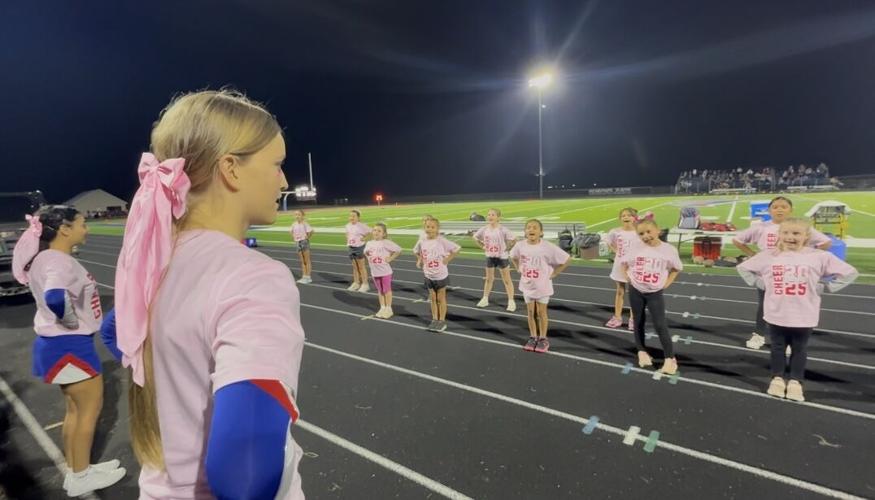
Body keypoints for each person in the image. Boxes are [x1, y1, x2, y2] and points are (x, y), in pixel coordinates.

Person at [105, 90, 305, 499]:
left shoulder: (154, 262)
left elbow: (116, 332)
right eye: (276, 164)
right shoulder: (252, 276)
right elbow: (244, 476)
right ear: (231, 169)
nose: (284, 181)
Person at [11, 206, 125, 497]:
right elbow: (54, 297)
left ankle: (78, 470)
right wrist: (72, 322)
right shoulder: (57, 261)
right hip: (69, 344)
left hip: (59, 345)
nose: (86, 229)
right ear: (64, 229)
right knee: (88, 411)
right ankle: (80, 476)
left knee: (74, 411)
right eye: (82, 224)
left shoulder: (45, 258)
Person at [737, 218, 858, 402]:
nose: (790, 237)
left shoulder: (819, 256)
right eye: (785, 233)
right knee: (777, 348)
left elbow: (849, 273)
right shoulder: (769, 255)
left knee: (799, 349)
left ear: (806, 236)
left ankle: (796, 381)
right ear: (779, 235)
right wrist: (761, 283)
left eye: (796, 233)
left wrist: (826, 287)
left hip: (804, 314)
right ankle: (777, 379)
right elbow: (744, 268)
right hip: (777, 313)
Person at [732, 196, 831, 350]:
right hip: (768, 273)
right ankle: (759, 335)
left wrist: (807, 256)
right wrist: (753, 255)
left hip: (793, 273)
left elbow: (825, 242)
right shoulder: (760, 227)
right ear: (769, 210)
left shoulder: (801, 228)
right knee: (765, 304)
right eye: (775, 207)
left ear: (791, 210)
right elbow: (737, 240)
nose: (779, 210)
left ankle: (788, 341)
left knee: (791, 305)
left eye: (784, 207)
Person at [621, 218, 683, 374]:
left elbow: (676, 268)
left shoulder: (669, 250)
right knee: (638, 321)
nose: (645, 236)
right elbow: (624, 262)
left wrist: (667, 283)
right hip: (636, 290)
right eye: (641, 233)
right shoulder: (635, 247)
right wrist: (627, 277)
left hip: (654, 292)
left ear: (658, 230)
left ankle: (670, 358)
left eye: (648, 231)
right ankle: (642, 352)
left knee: (660, 324)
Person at [509, 219, 570, 353]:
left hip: (542, 285)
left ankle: (543, 338)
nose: (531, 229)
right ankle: (532, 337)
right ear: (525, 231)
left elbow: (566, 259)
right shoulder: (520, 245)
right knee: (531, 312)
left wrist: (555, 273)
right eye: (529, 227)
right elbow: (513, 256)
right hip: (527, 285)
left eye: (535, 227)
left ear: (541, 232)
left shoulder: (548, 247)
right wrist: (518, 267)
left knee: (541, 313)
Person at [413, 218, 461, 332]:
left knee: (441, 298)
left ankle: (442, 321)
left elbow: (457, 248)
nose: (429, 229)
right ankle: (434, 319)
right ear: (424, 228)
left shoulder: (441, 241)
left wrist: (447, 259)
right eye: (427, 227)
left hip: (440, 275)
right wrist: (419, 259)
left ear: (437, 229)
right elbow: (415, 251)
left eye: (432, 227)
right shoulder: (422, 241)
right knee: (433, 298)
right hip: (428, 274)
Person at [473, 208, 517, 312]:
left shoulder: (503, 229)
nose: (490, 217)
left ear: (498, 217)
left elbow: (514, 239)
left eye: (493, 215)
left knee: (507, 280)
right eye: (489, 215)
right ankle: (485, 299)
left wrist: (508, 248)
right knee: (489, 279)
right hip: (490, 256)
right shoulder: (484, 229)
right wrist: (482, 246)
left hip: (502, 257)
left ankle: (511, 301)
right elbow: (475, 237)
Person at [604, 207, 640, 330]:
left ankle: (633, 319)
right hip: (620, 265)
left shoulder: (639, 232)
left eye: (629, 215)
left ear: (634, 218)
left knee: (634, 293)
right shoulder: (615, 231)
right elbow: (608, 241)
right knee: (620, 291)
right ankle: (617, 317)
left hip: (634, 265)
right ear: (620, 218)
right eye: (623, 215)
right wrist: (616, 251)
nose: (626, 217)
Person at [364, 223, 402, 319]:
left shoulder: (386, 242)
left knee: (386, 290)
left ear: (384, 234)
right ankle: (382, 307)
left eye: (379, 231)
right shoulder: (369, 243)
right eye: (374, 230)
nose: (376, 232)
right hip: (375, 272)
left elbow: (398, 250)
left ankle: (389, 308)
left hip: (385, 272)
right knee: (380, 290)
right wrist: (368, 256)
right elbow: (366, 252)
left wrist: (390, 258)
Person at [345, 210, 371, 292]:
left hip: (359, 247)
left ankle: (365, 284)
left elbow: (371, 232)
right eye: (350, 216)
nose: (351, 217)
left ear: (358, 218)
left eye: (354, 216)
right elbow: (347, 234)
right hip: (351, 247)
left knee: (361, 267)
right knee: (354, 266)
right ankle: (356, 283)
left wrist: (365, 238)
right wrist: (348, 240)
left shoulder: (362, 226)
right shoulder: (347, 225)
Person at [290, 209, 313, 283]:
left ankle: (308, 277)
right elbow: (291, 231)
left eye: (299, 215)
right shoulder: (294, 224)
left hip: (304, 242)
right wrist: (294, 238)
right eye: (296, 215)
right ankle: (304, 276)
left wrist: (307, 238)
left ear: (302, 216)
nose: (297, 216)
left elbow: (311, 231)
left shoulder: (305, 224)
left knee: (307, 260)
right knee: (302, 261)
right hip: (298, 242)